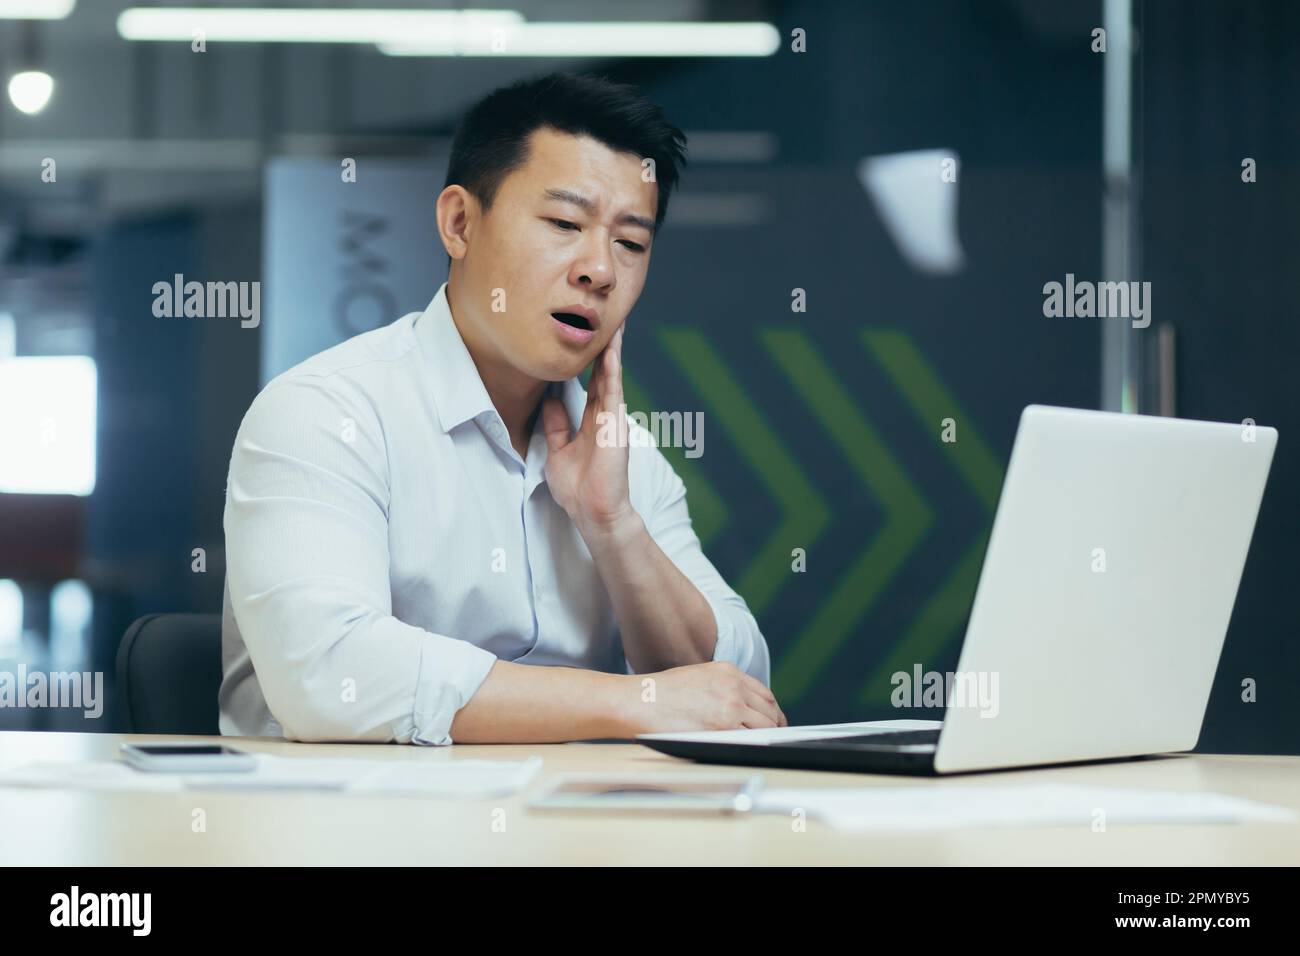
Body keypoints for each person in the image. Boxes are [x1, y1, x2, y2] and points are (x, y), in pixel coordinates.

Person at [218, 72, 785, 744]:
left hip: (575, 838)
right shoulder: (324, 415)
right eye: (564, 223)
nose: (599, 269)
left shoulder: (618, 455)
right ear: (459, 223)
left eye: (630, 243)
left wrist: (613, 524)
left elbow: (735, 690)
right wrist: (629, 702)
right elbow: (332, 678)